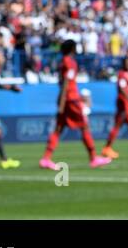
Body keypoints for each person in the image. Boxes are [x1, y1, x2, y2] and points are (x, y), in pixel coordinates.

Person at [40, 39, 110, 170]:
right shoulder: (69, 62)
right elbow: (67, 81)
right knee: (84, 126)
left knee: (58, 129)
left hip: (66, 98)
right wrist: (62, 101)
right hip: (71, 99)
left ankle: (46, 158)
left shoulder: (63, 61)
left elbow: (62, 81)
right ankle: (94, 158)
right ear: (72, 49)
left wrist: (60, 99)